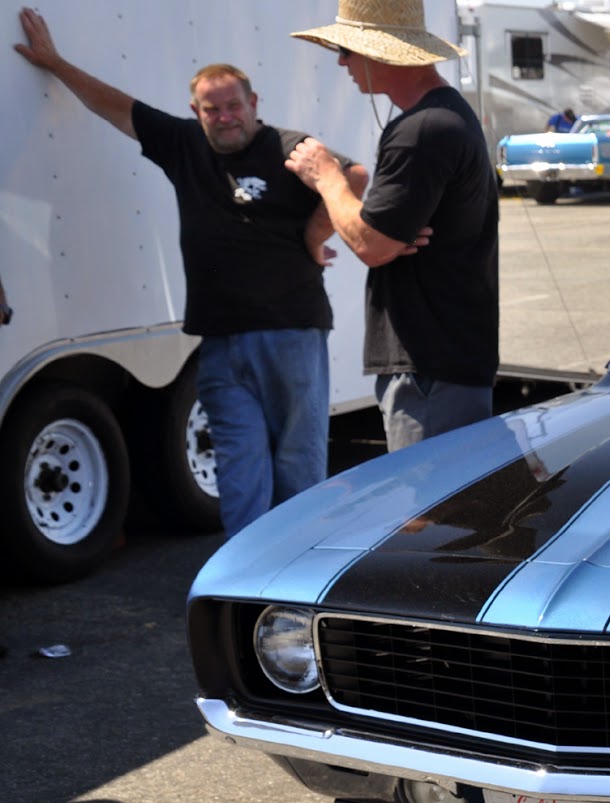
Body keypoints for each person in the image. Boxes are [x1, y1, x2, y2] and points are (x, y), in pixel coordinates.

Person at [13, 8, 368, 538]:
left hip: (291, 334)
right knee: (239, 471)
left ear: (254, 104)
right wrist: (55, 63)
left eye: (233, 106)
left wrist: (314, 236)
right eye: (211, 109)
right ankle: (245, 587)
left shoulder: (288, 147)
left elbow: (355, 175)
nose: (224, 117)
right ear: (196, 112)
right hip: (220, 344)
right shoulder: (185, 146)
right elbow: (115, 107)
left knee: (298, 468)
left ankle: (300, 579)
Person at [286, 0, 500, 452]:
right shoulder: (442, 117)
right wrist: (385, 231)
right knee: (445, 514)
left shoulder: (422, 129)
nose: (341, 61)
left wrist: (327, 177)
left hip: (428, 367)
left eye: (347, 49)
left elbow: (371, 244)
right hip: (443, 363)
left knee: (427, 516)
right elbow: (383, 239)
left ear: (381, 51)